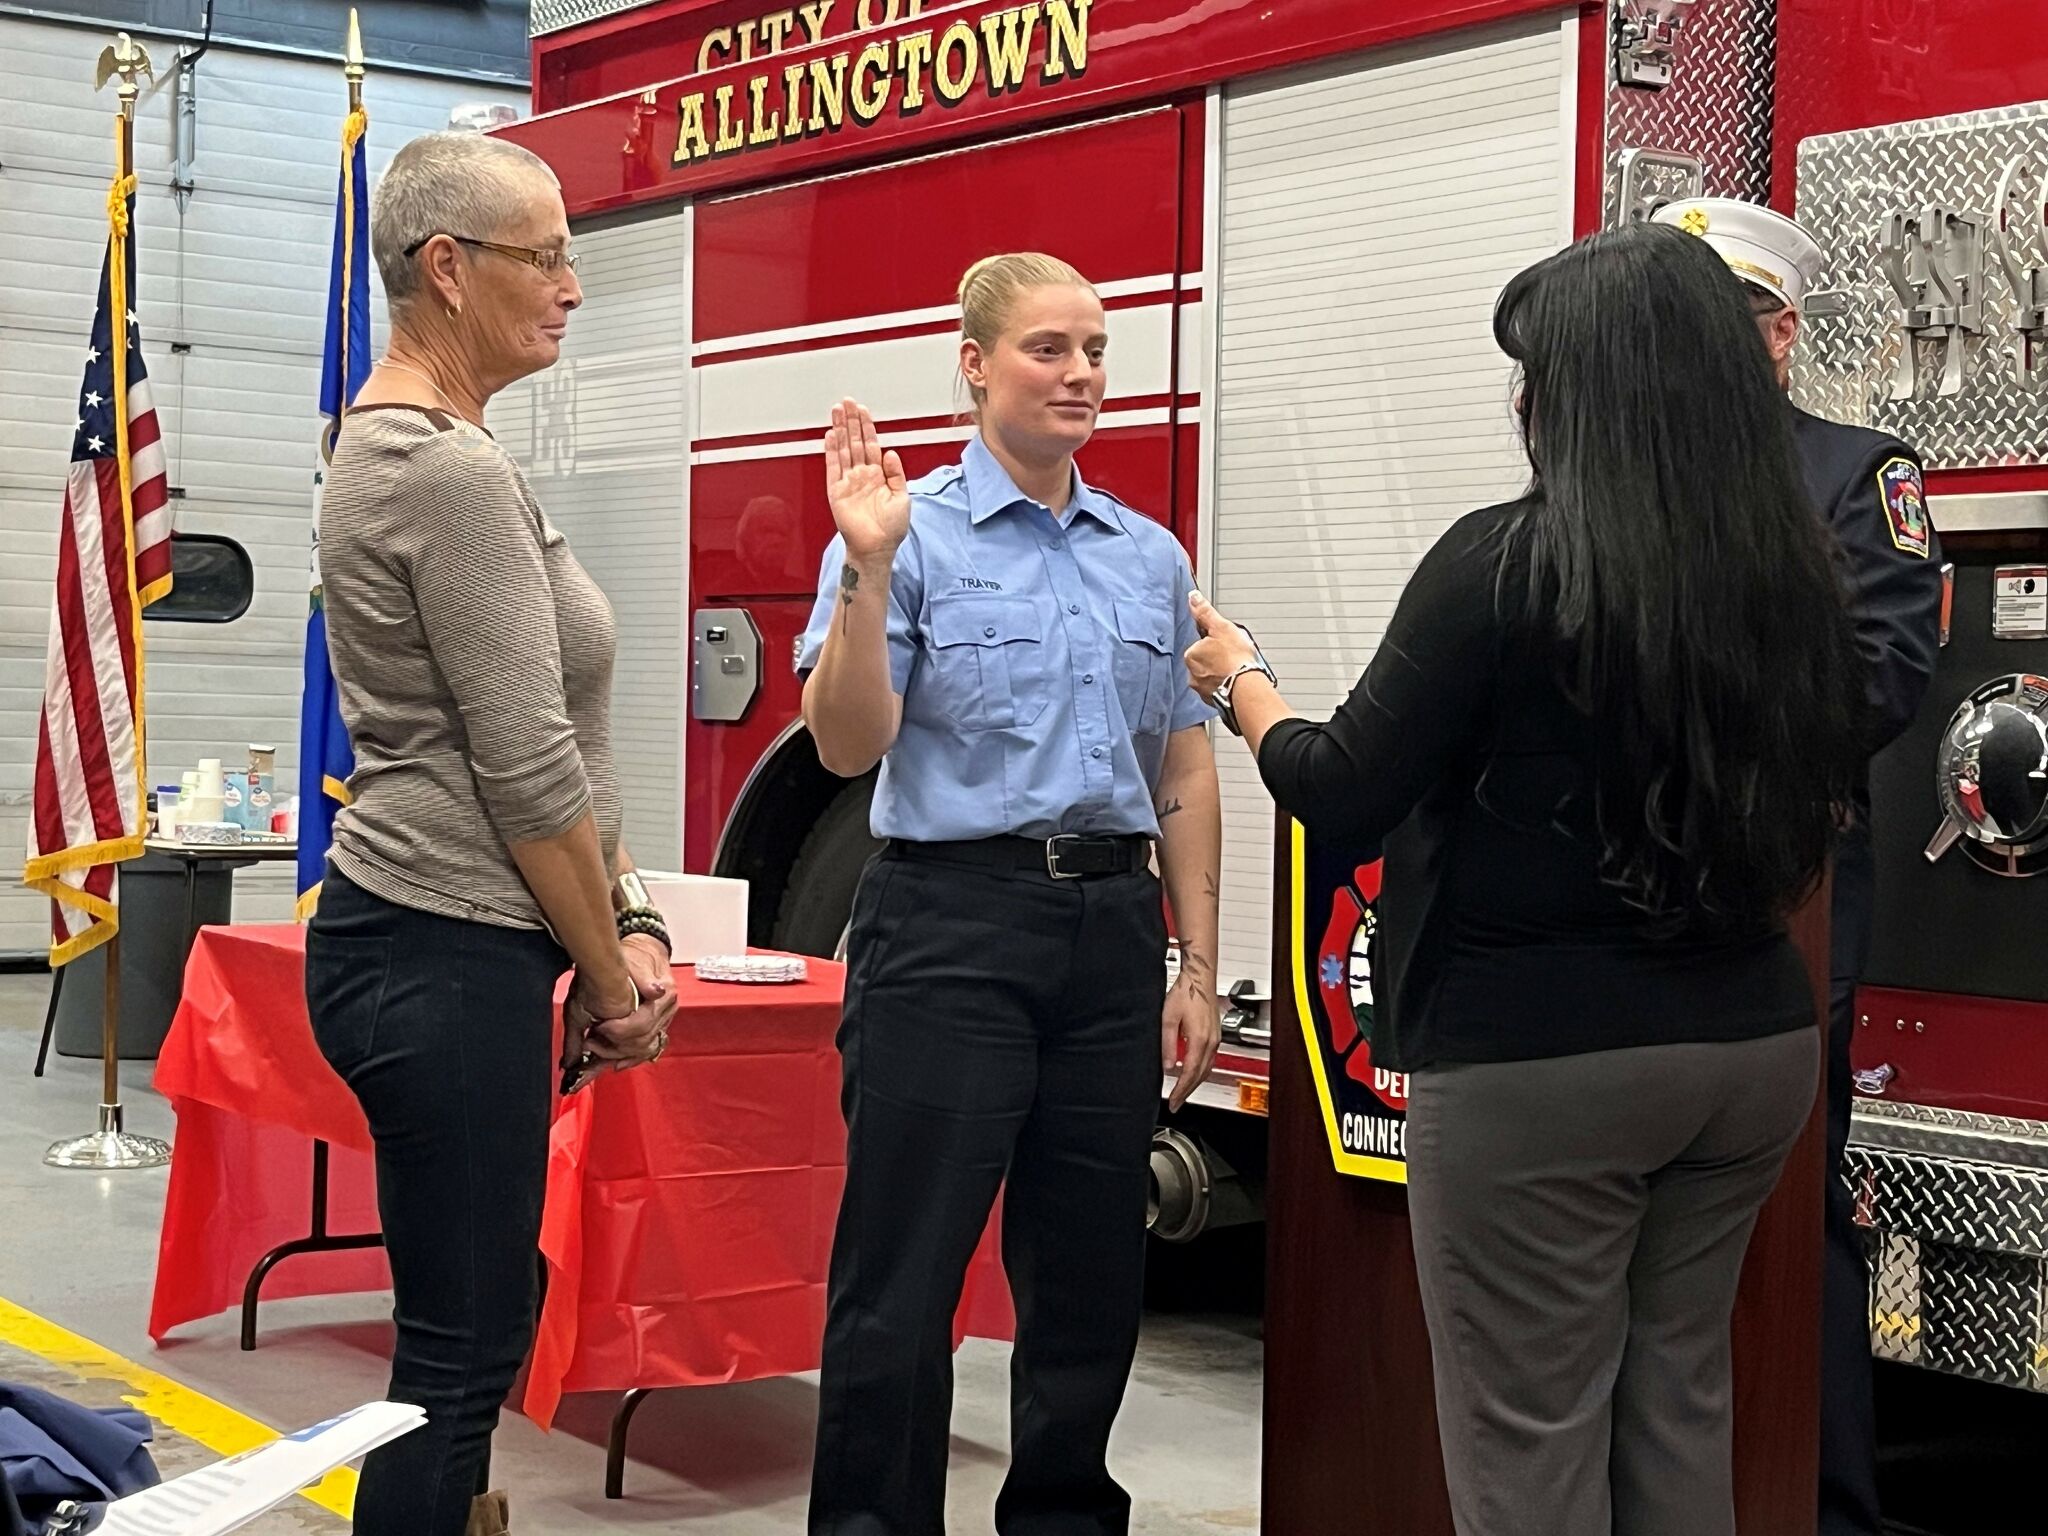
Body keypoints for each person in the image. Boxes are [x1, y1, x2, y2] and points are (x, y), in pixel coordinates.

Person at [1187, 222, 1868, 1536]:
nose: (1520, 400)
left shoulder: (1500, 565)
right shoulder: (1794, 570)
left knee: (1528, 1442)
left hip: (1537, 1070)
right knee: (1680, 1410)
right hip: (1750, 1053)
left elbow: (1339, 788)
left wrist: (1242, 686)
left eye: (1534, 372)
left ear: (1585, 393)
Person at [799, 252, 1223, 1536]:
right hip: (950, 929)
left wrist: (1194, 963)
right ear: (975, 364)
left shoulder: (1145, 556)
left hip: (1106, 937)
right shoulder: (904, 532)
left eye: (1096, 350)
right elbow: (845, 744)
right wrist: (867, 569)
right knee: (902, 1275)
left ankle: (1061, 1520)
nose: (1082, 374)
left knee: (1089, 1277)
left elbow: (1182, 766)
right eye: (1048, 349)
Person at [308, 130, 678, 1536]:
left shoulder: (435, 449)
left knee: (473, 1319)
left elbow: (557, 749)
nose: (574, 283)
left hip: (449, 943)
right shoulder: (439, 469)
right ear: (448, 271)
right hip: (438, 944)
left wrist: (624, 918)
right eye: (549, 253)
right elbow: (525, 769)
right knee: (456, 1347)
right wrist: (609, 969)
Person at [1651, 195, 1945, 1536]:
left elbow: (1883, 674)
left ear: (1776, 337)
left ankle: (1823, 1510)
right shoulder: (1612, 478)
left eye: (1726, 319)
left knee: (1785, 1198)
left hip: (1785, 890)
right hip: (1615, 896)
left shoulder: (1853, 473)